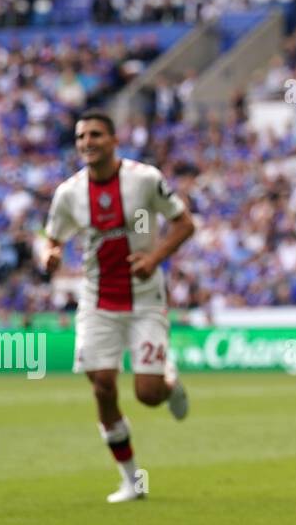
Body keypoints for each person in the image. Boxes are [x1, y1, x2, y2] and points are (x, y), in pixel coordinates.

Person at [42, 110, 197, 502]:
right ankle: (132, 480)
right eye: (81, 137)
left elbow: (183, 224)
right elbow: (53, 237)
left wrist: (154, 256)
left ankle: (169, 382)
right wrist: (52, 254)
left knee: (148, 394)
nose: (87, 142)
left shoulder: (144, 180)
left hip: (144, 299)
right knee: (102, 386)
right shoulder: (69, 193)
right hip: (97, 299)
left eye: (95, 135)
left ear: (114, 140)